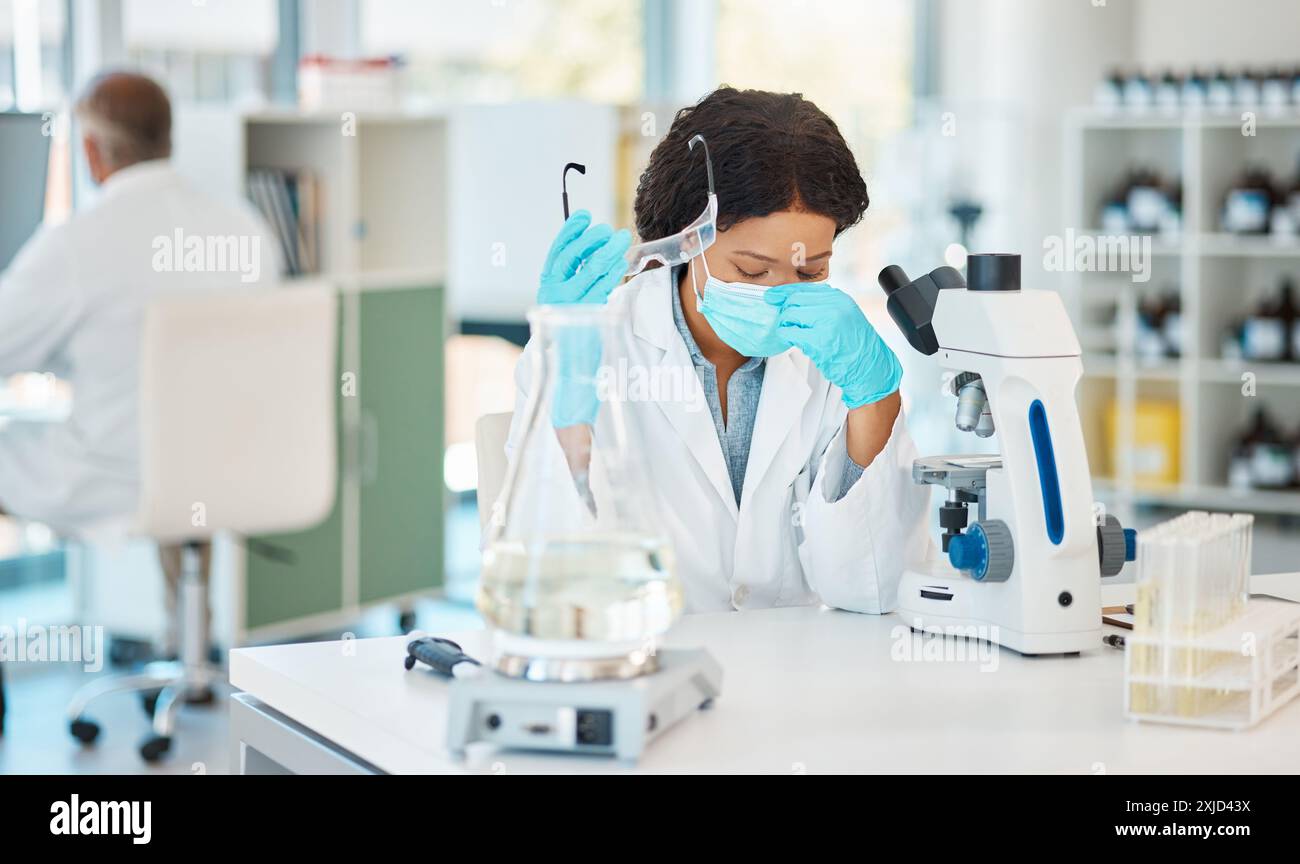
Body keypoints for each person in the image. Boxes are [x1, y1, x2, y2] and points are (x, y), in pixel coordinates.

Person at [508, 87, 929, 614]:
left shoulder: (835, 357)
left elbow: (877, 588)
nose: (778, 294)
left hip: (797, 678)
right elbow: (544, 575)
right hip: (647, 671)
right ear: (686, 240)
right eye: (751, 271)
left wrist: (875, 395)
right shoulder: (596, 345)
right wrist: (565, 384)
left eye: (809, 271)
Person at [0, 70, 281, 656]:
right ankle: (191, 645)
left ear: (92, 151)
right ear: (169, 137)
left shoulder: (77, 243)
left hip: (121, 476)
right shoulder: (244, 230)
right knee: (171, 439)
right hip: (232, 466)